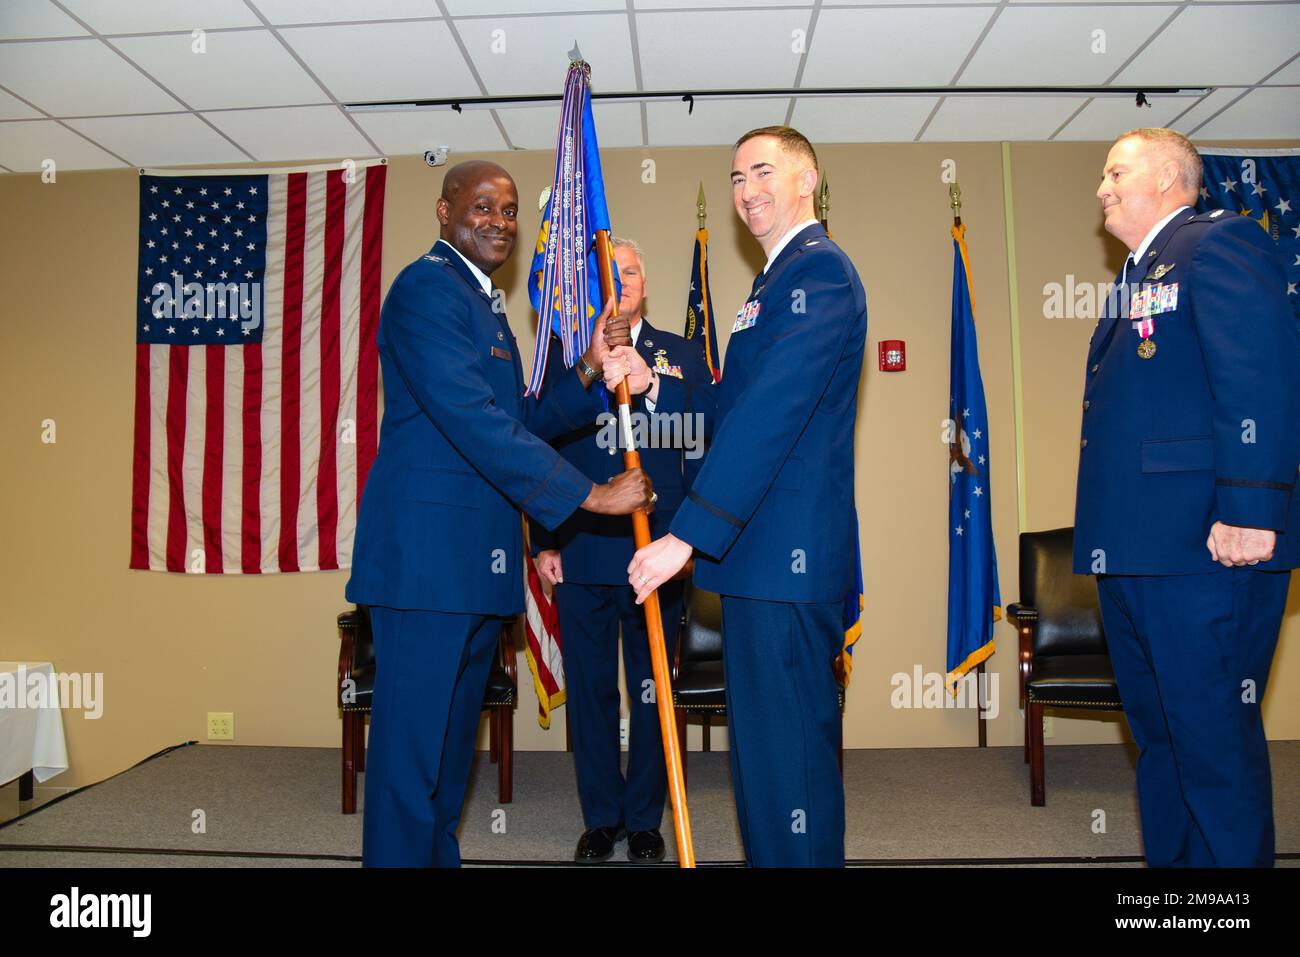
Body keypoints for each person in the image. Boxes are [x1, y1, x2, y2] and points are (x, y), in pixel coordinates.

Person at [346, 160, 655, 868]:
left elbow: (522, 419)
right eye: (482, 206)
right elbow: (476, 420)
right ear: (444, 210)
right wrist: (590, 495)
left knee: (450, 759)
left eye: (510, 210)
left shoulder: (483, 306)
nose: (499, 221)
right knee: (410, 761)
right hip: (425, 570)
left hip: (474, 571)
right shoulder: (427, 289)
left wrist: (587, 364)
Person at [627, 127, 867, 867]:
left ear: (807, 179)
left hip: (785, 567)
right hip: (760, 563)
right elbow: (732, 406)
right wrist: (655, 385)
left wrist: (684, 535)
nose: (746, 189)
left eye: (763, 171)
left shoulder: (820, 274)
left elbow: (769, 419)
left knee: (788, 770)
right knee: (765, 771)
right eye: (735, 177)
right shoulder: (772, 284)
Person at [1074, 128, 1300, 867]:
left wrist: (1252, 506)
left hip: (1209, 547)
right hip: (1138, 555)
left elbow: (1260, 375)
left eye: (1116, 171)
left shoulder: (1220, 243)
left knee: (1212, 748)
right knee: (1164, 744)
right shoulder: (1136, 275)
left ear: (1170, 176)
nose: (1102, 187)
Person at [531, 238, 715, 863]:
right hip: (580, 547)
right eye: (610, 274)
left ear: (644, 282)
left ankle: (644, 819)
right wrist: (542, 540)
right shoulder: (565, 357)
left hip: (656, 550)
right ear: (591, 288)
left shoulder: (682, 354)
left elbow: (706, 431)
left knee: (649, 688)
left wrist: (651, 382)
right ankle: (600, 818)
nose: (622, 281)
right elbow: (539, 445)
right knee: (590, 691)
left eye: (630, 271)